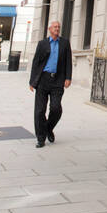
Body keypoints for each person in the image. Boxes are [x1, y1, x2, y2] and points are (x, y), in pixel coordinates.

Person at [29, 20, 72, 148]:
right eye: (55, 27)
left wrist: (68, 77)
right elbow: (36, 62)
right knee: (39, 111)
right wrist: (32, 81)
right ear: (49, 29)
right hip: (43, 80)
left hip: (58, 80)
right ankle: (40, 138)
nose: (57, 29)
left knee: (55, 108)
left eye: (58, 27)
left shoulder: (64, 43)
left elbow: (68, 62)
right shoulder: (42, 44)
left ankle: (48, 128)